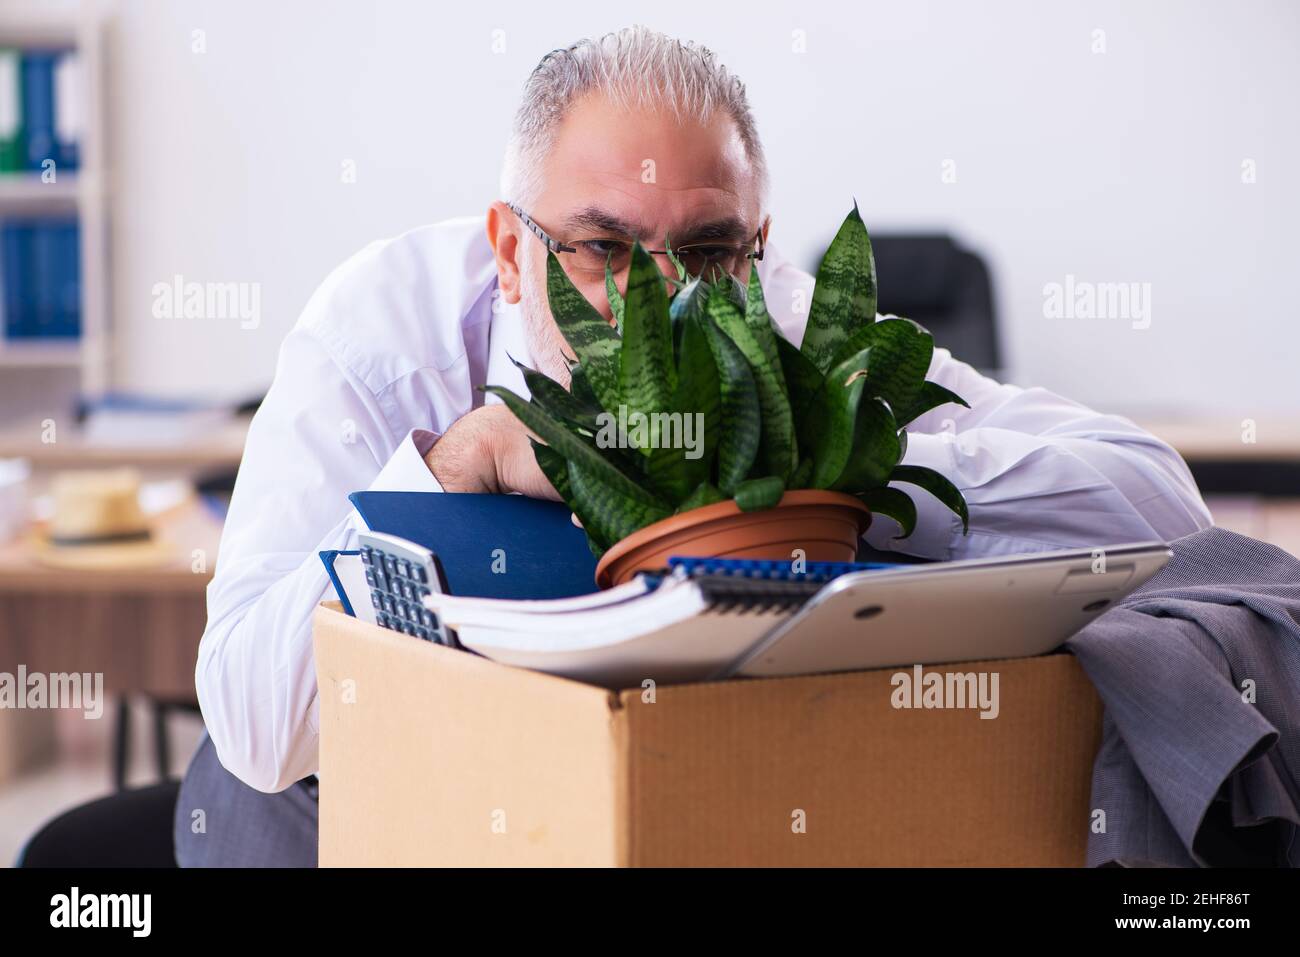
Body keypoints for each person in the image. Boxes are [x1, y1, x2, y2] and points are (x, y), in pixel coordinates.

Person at [176, 26, 1212, 866]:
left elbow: (1162, 508)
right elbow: (255, 721)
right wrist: (455, 467)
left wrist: (829, 469)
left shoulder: (790, 332)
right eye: (600, 249)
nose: (657, 306)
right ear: (507, 251)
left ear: (756, 251)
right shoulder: (382, 337)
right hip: (357, 804)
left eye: (708, 253)